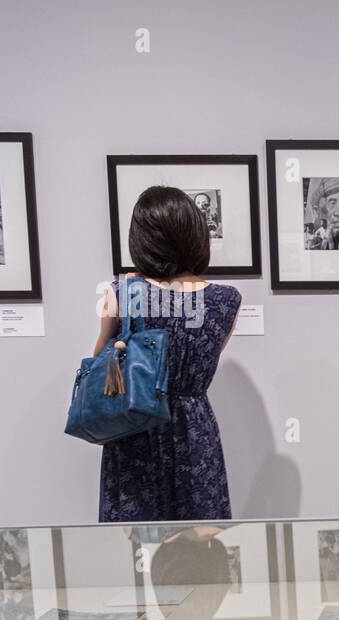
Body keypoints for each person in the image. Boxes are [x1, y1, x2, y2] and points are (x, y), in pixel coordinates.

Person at [93, 185, 242, 523]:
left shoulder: (123, 293)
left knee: (140, 544)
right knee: (200, 544)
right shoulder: (227, 300)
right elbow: (205, 359)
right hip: (195, 431)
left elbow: (102, 367)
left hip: (135, 427)